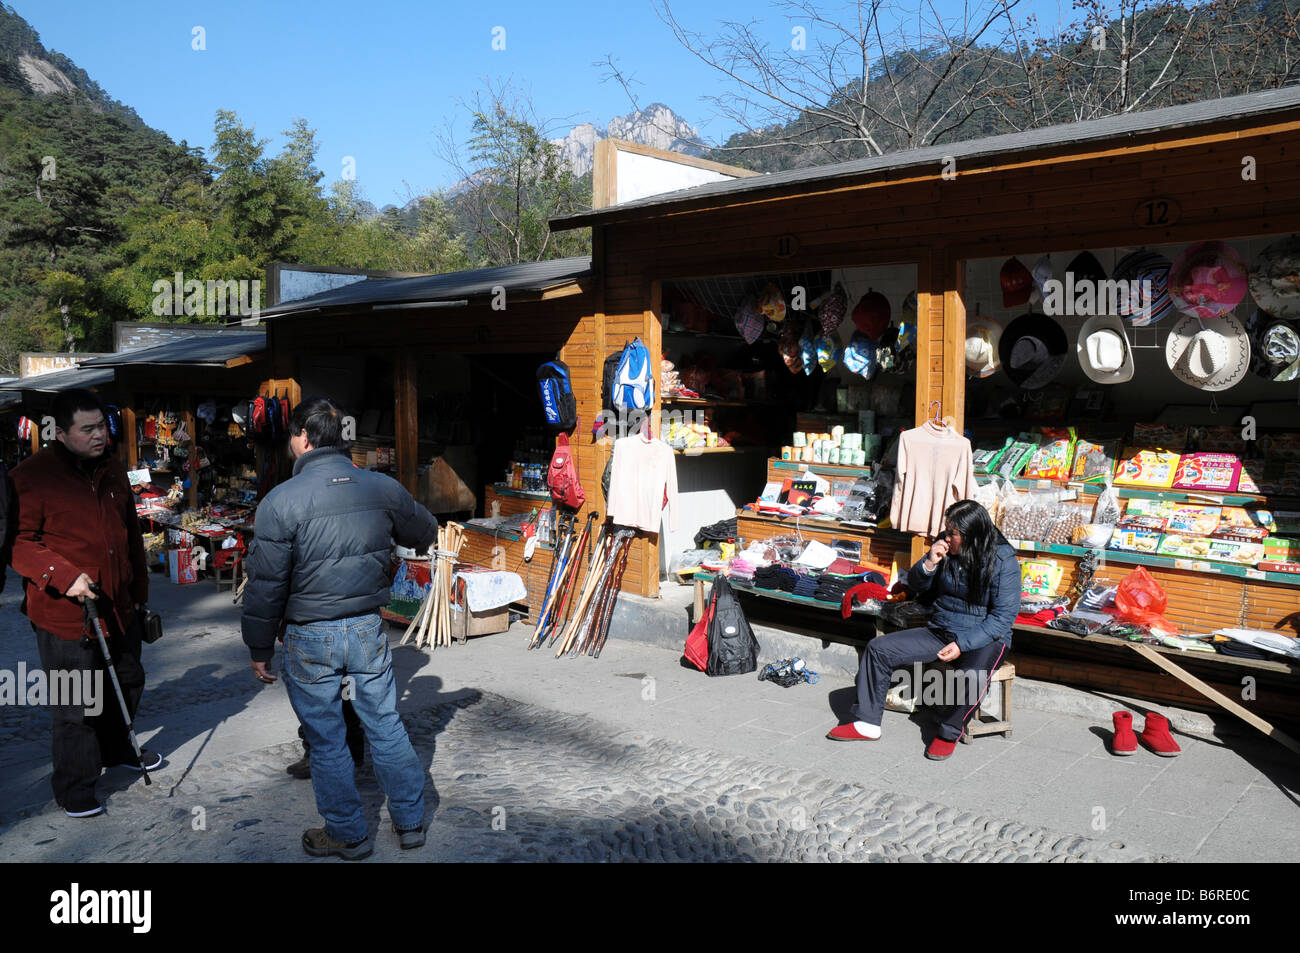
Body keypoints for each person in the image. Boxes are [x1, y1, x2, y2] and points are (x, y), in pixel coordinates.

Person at [242, 396, 437, 860]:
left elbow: (267, 583)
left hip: (310, 633)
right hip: (367, 627)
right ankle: (410, 822)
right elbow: (424, 530)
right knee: (386, 724)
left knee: (327, 739)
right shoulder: (379, 487)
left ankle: (348, 834)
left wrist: (258, 645)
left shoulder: (280, 501)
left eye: (291, 434)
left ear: (303, 439)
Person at [9, 388, 158, 818]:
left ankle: (118, 751)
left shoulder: (112, 470)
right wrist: (61, 575)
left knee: (127, 681)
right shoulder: (30, 477)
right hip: (65, 615)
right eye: (88, 429)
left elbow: (131, 535)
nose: (101, 436)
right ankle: (75, 785)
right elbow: (18, 543)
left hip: (119, 606)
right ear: (60, 431)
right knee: (76, 705)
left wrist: (139, 595)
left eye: (102, 427)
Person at [827, 499, 1019, 760]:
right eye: (946, 530)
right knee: (878, 649)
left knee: (971, 674)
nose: (947, 537)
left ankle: (949, 732)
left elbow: (1003, 618)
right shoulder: (944, 547)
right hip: (942, 628)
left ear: (972, 535)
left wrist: (963, 645)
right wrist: (929, 563)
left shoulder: (1002, 560)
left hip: (987, 637)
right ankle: (866, 723)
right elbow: (916, 585)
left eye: (953, 533)